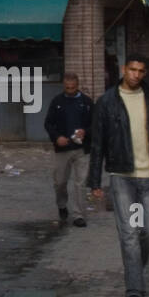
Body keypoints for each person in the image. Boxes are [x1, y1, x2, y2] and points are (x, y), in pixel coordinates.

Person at [87, 55, 149, 297]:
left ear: (145, 73)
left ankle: (135, 264)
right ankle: (134, 290)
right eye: (132, 70)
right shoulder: (107, 102)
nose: (136, 75)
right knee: (128, 234)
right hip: (122, 177)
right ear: (123, 69)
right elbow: (97, 144)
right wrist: (94, 180)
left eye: (141, 71)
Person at [43, 73, 94, 228]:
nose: (70, 90)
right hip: (62, 149)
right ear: (63, 86)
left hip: (81, 149)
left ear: (77, 85)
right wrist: (57, 137)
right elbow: (48, 123)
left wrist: (86, 132)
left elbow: (96, 124)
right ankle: (62, 205)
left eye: (73, 87)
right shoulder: (57, 102)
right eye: (67, 87)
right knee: (60, 182)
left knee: (81, 183)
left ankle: (79, 215)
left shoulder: (87, 102)